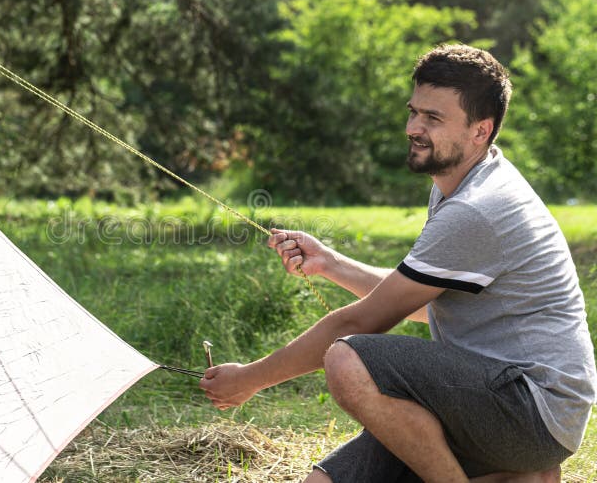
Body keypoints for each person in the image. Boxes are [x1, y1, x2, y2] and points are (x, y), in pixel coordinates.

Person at [199, 44, 596, 482]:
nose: (414, 128)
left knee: (347, 358)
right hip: (485, 401)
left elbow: (366, 321)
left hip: (532, 412)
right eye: (414, 112)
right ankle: (516, 475)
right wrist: (330, 264)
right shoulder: (460, 182)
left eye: (434, 118)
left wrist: (250, 379)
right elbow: (424, 304)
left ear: (480, 130)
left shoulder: (477, 208)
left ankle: (515, 466)